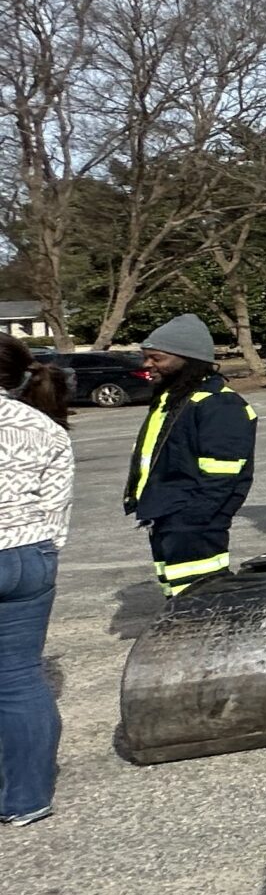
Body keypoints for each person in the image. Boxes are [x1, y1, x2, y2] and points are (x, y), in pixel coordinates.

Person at [121, 312, 255, 596]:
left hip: (192, 523)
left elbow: (222, 476)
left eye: (157, 358)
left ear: (188, 359)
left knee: (203, 599)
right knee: (180, 596)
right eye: (146, 357)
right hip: (167, 516)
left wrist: (191, 520)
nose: (148, 365)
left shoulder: (218, 405)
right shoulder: (173, 400)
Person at [0, 340, 71, 828]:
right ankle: (27, 798)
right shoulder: (44, 426)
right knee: (21, 678)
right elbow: (56, 508)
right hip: (30, 554)